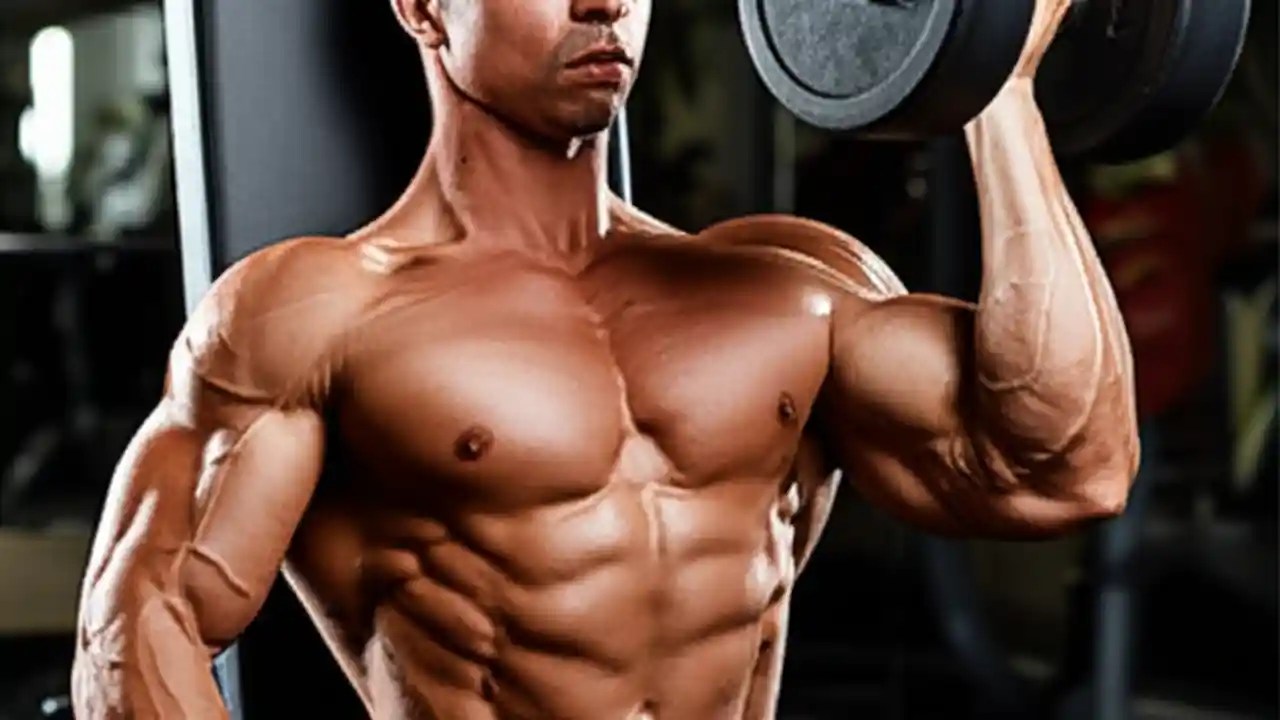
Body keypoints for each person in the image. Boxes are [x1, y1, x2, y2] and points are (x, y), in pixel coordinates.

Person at [70, 0, 1139, 717]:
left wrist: (995, 90)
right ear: (423, 8)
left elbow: (1065, 465)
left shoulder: (791, 287)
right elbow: (138, 625)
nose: (603, 3)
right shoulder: (318, 314)